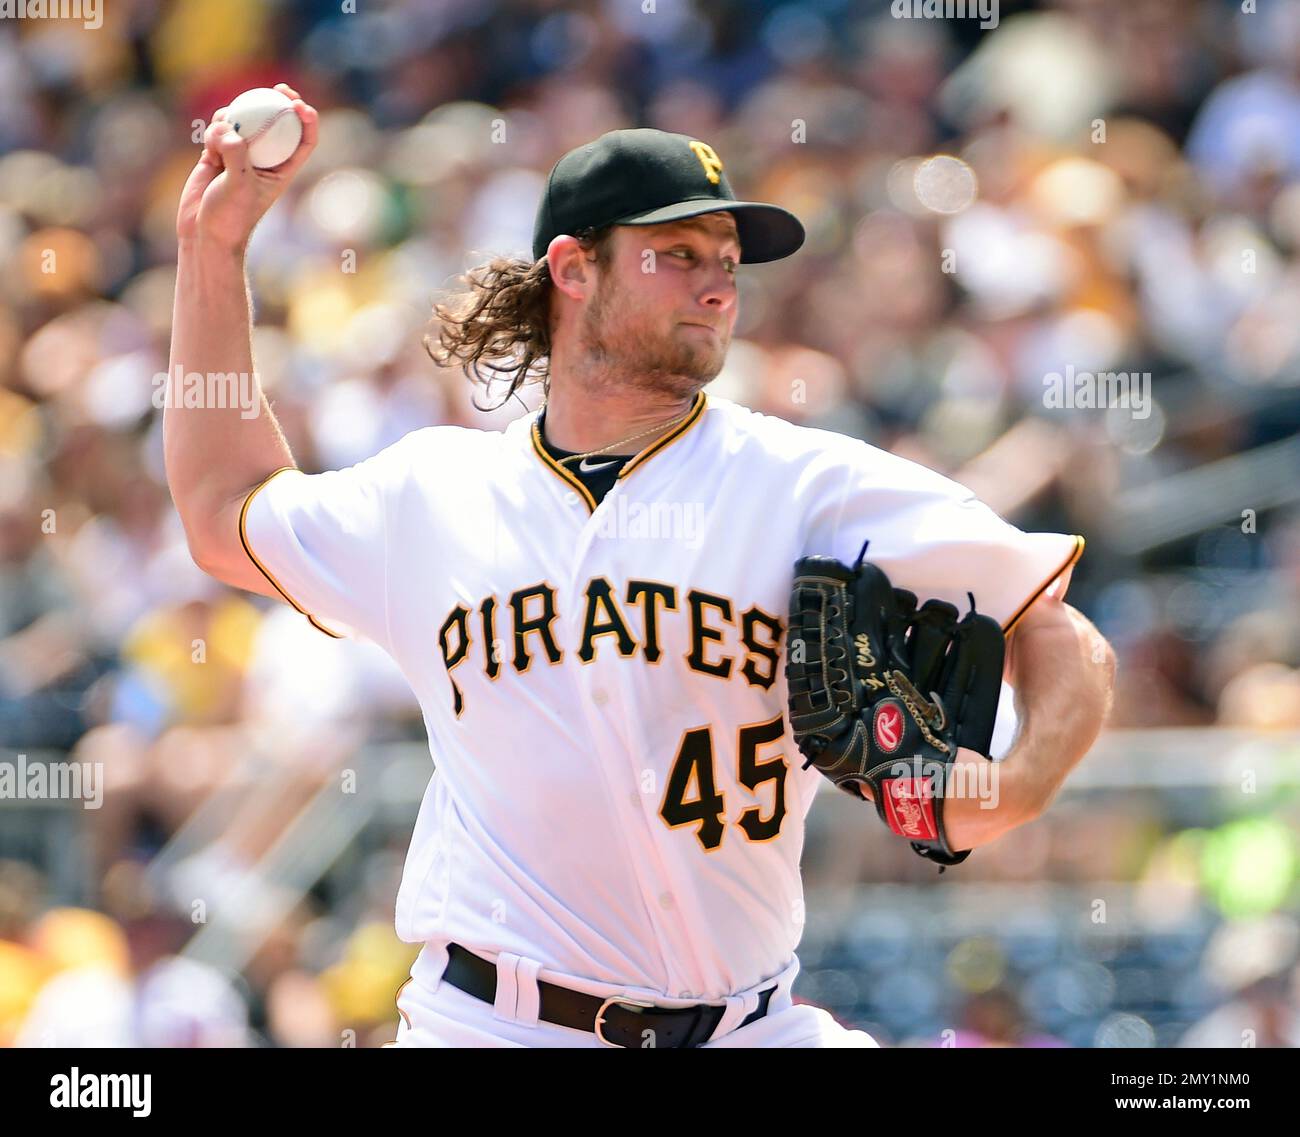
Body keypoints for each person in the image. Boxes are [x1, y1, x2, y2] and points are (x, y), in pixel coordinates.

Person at [165, 84, 1116, 1048]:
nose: (717, 286)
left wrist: (1017, 787)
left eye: (729, 264)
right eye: (679, 255)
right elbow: (219, 510)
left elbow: (1059, 628)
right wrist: (213, 250)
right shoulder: (432, 495)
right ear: (573, 269)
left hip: (753, 1026)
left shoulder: (809, 486)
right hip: (497, 1026)